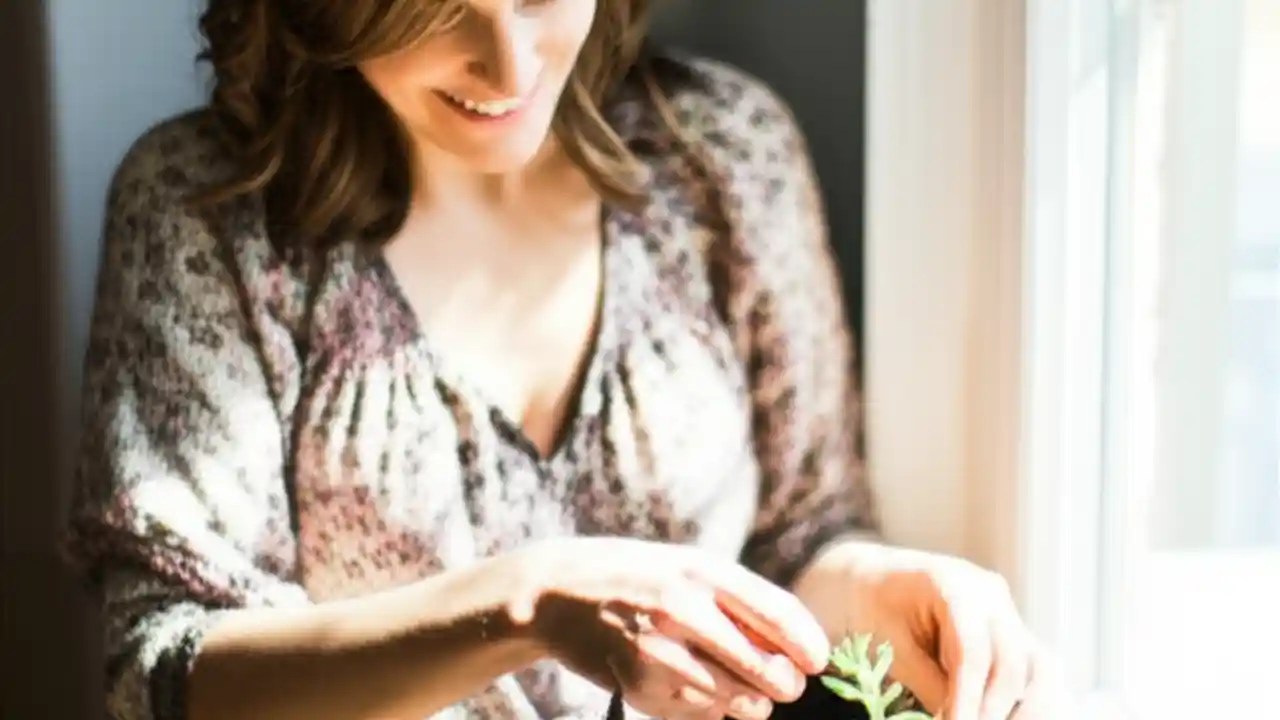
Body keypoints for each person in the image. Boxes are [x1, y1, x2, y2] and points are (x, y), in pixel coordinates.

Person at [63, 1, 1064, 719]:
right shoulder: (207, 215)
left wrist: (887, 592)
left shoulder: (721, 155)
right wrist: (526, 604)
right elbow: (167, 673)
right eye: (427, 6)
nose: (507, 65)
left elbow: (798, 542)